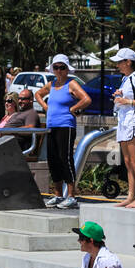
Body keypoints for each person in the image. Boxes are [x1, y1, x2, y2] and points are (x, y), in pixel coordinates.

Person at [36, 54, 91, 208]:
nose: (59, 70)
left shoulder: (71, 84)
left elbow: (86, 99)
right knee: (53, 160)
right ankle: (58, 195)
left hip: (66, 125)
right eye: (56, 67)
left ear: (67, 69)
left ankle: (72, 196)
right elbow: (38, 94)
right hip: (51, 125)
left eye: (62, 67)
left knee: (65, 158)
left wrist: (73, 108)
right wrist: (45, 107)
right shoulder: (51, 84)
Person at [111, 47, 135, 208]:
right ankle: (130, 195)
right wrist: (120, 96)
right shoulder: (125, 79)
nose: (118, 65)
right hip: (123, 122)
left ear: (129, 62)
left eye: (120, 62)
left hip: (133, 122)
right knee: (127, 161)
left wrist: (129, 102)